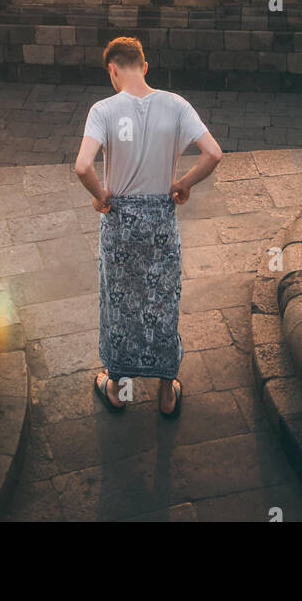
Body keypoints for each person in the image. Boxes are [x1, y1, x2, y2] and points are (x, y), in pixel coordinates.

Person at [74, 36, 223, 418]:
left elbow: (83, 166)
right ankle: (166, 393)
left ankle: (119, 390)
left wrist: (102, 196)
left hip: (120, 222)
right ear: (144, 66)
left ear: (112, 70)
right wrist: (183, 184)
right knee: (161, 301)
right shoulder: (176, 105)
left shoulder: (103, 110)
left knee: (119, 304)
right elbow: (213, 153)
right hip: (160, 219)